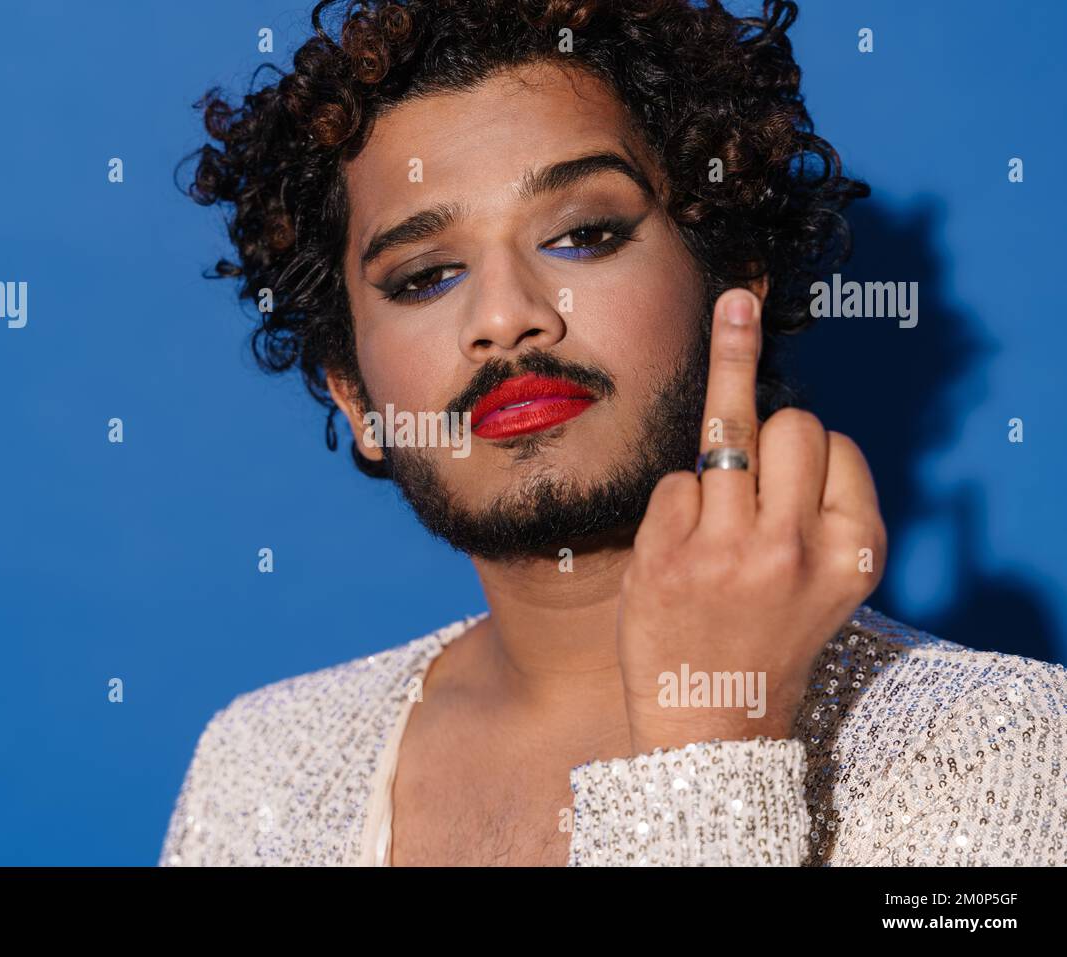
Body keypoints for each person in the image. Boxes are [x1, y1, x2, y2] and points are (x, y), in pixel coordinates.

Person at [160, 0, 1067, 866]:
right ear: (356, 398)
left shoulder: (991, 744)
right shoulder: (262, 763)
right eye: (425, 276)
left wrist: (711, 736)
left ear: (729, 292)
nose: (508, 318)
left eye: (584, 234)